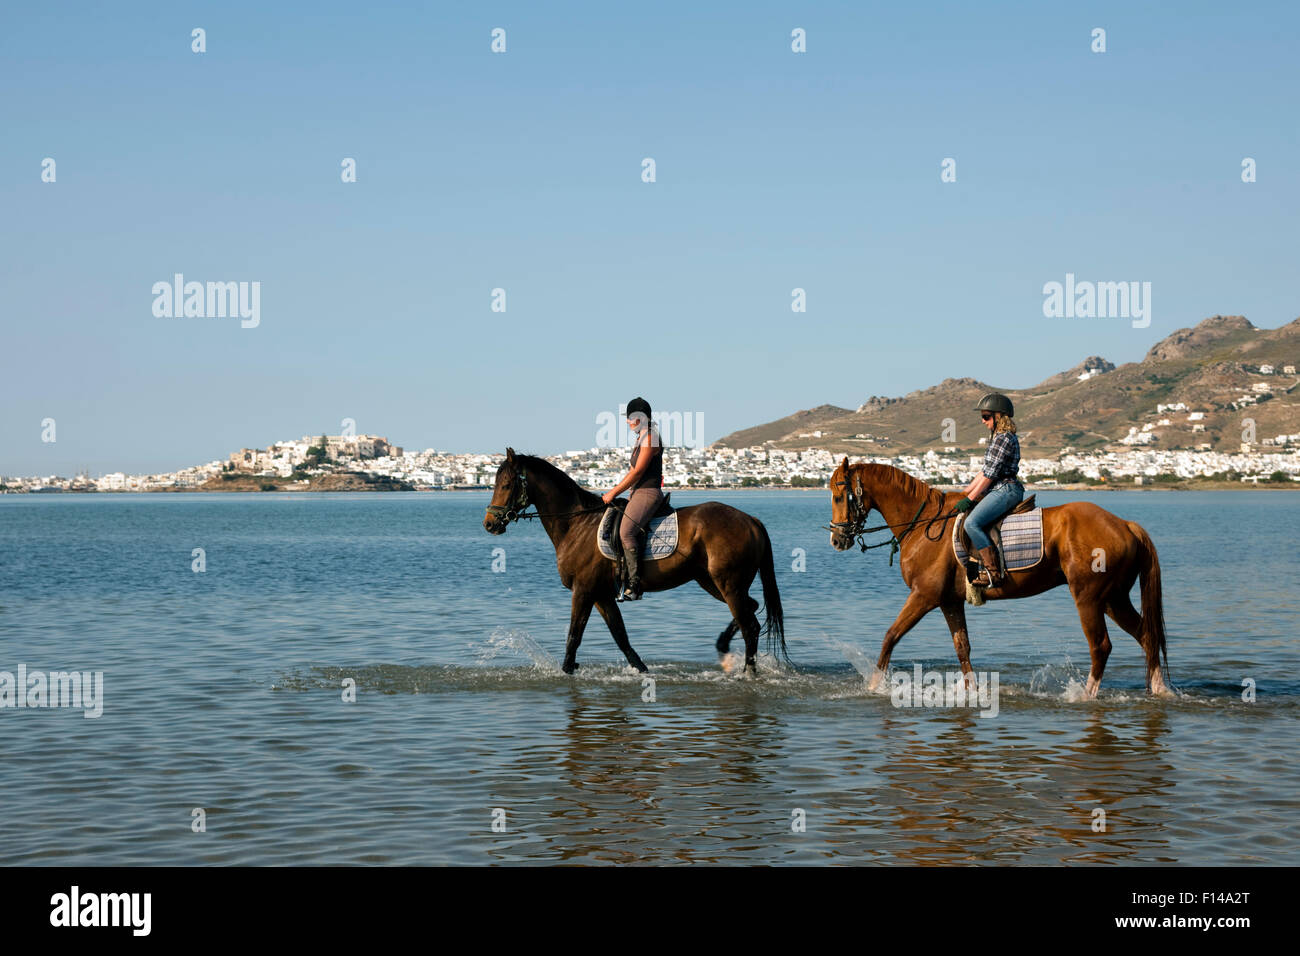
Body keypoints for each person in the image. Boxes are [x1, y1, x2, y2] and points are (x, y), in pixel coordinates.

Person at [953, 393, 1023, 587]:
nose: (982, 421)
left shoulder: (1004, 438)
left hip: (1006, 489)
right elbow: (984, 471)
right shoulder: (998, 438)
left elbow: (990, 475)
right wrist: (964, 494)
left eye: (985, 416)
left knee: (972, 523)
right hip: (997, 488)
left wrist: (970, 498)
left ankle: (993, 572)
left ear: (999, 416)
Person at [601, 397, 664, 600]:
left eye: (629, 419)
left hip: (648, 492)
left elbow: (637, 473)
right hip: (636, 493)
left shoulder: (651, 438)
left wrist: (613, 493)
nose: (627, 422)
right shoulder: (640, 438)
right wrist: (624, 492)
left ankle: (634, 585)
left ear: (638, 418)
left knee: (626, 532)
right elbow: (631, 472)